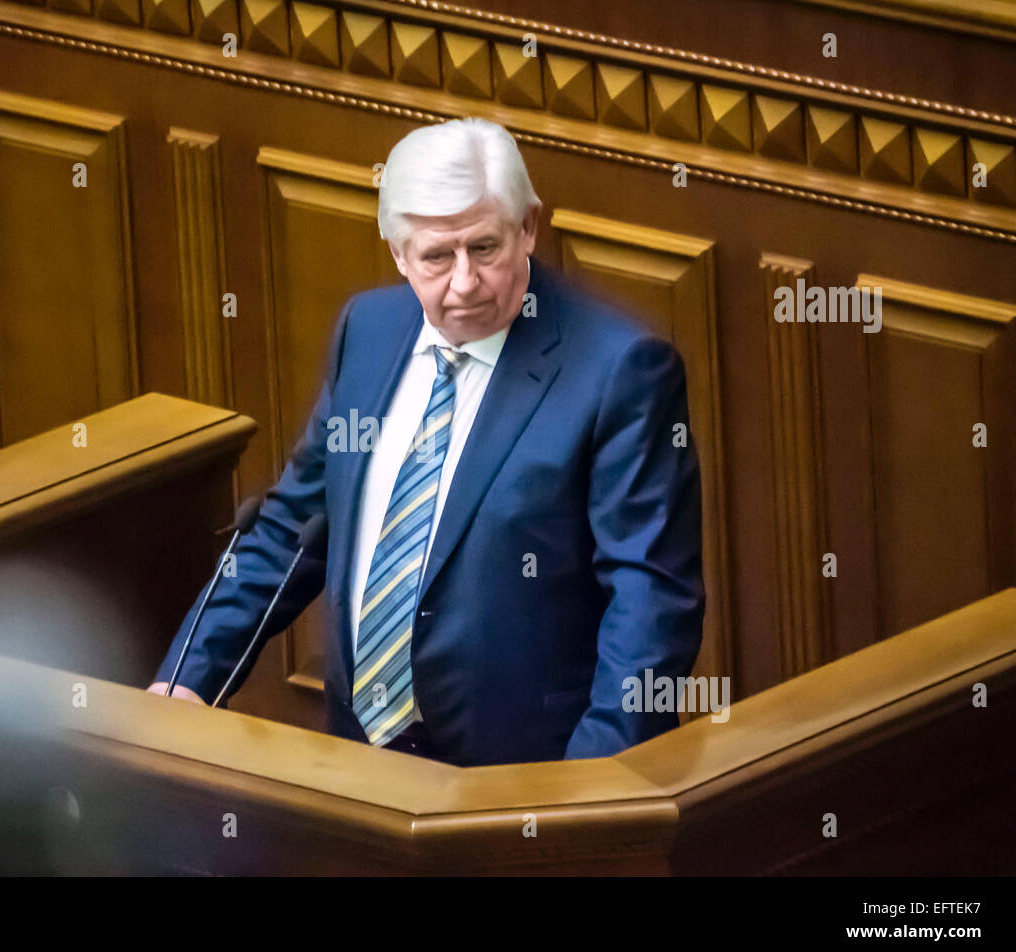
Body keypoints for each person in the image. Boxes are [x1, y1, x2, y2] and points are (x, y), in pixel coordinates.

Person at [149, 117, 704, 766]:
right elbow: (292, 529)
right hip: (364, 767)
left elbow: (648, 609)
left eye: (485, 248)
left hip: (524, 783)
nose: (464, 282)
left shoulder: (620, 371)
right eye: (437, 257)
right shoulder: (369, 331)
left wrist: (589, 800)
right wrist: (188, 678)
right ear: (398, 253)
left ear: (528, 228)